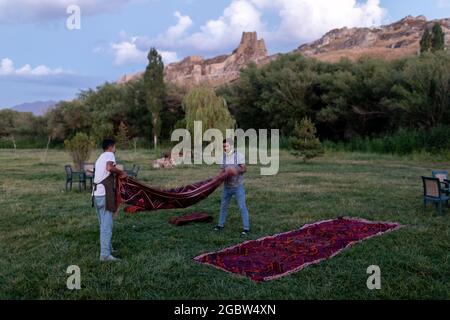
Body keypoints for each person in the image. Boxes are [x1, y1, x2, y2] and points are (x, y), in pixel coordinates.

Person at [92, 139, 127, 262]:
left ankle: (108, 248)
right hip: (104, 194)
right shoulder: (109, 154)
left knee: (104, 224)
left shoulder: (100, 157)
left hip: (96, 195)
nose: (115, 148)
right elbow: (109, 167)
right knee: (107, 225)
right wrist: (121, 172)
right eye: (115, 146)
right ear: (111, 147)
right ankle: (105, 255)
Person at [214, 138, 250, 235]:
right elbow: (222, 171)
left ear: (232, 146)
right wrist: (218, 178)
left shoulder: (239, 156)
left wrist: (236, 170)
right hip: (227, 187)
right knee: (223, 206)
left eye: (227, 146)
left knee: (242, 206)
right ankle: (220, 225)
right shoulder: (223, 157)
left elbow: (244, 169)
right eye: (224, 146)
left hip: (238, 186)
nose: (225, 148)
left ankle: (246, 228)